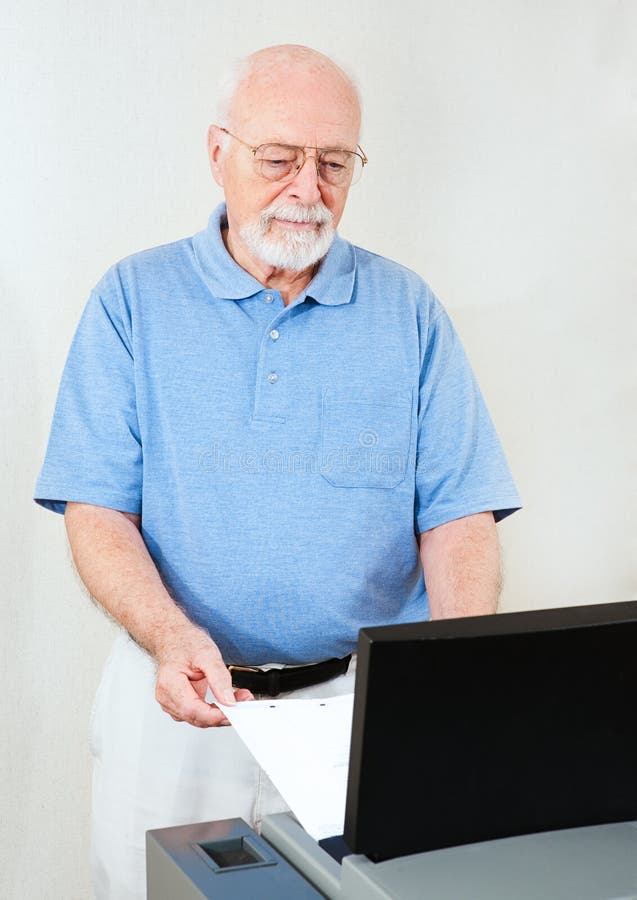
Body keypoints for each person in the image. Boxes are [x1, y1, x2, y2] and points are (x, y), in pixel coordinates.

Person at [35, 44, 521, 900]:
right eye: (279, 159)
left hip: (360, 711)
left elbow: (457, 512)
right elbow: (97, 507)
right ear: (217, 152)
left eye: (333, 163)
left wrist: (453, 681)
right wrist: (171, 635)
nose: (307, 187)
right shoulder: (131, 299)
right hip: (179, 704)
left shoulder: (407, 308)